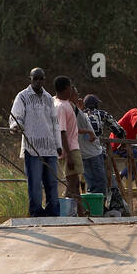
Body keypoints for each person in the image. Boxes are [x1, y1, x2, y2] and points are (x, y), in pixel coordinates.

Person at [9, 67, 61, 217]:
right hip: (32, 148)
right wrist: (15, 126)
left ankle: (53, 214)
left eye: (41, 78)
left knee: (52, 183)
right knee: (35, 184)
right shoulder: (23, 96)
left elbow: (55, 123)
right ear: (30, 79)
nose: (38, 81)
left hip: (50, 147)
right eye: (35, 78)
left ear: (44, 79)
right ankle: (37, 214)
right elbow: (16, 116)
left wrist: (58, 145)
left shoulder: (49, 98)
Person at [52, 76, 82, 211]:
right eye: (70, 86)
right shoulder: (61, 107)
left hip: (73, 147)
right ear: (65, 88)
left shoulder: (66, 104)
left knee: (75, 183)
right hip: (70, 149)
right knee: (72, 183)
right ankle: (68, 212)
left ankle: (78, 212)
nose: (72, 89)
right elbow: (61, 132)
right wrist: (69, 155)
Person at [74, 93, 106, 196]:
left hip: (89, 152)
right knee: (98, 186)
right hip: (90, 154)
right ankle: (95, 210)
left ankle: (94, 209)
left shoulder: (80, 113)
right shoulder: (99, 114)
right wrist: (89, 132)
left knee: (93, 184)